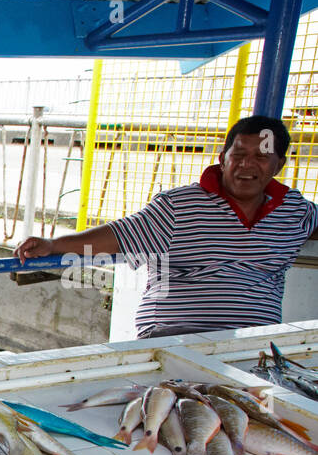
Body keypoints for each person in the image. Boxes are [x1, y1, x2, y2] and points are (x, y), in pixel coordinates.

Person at [16, 114, 318, 338]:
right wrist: (54, 245)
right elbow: (118, 235)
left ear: (279, 165)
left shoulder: (295, 211)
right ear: (222, 159)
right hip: (174, 337)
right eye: (238, 155)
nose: (247, 165)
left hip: (253, 343)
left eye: (261, 157)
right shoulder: (178, 205)